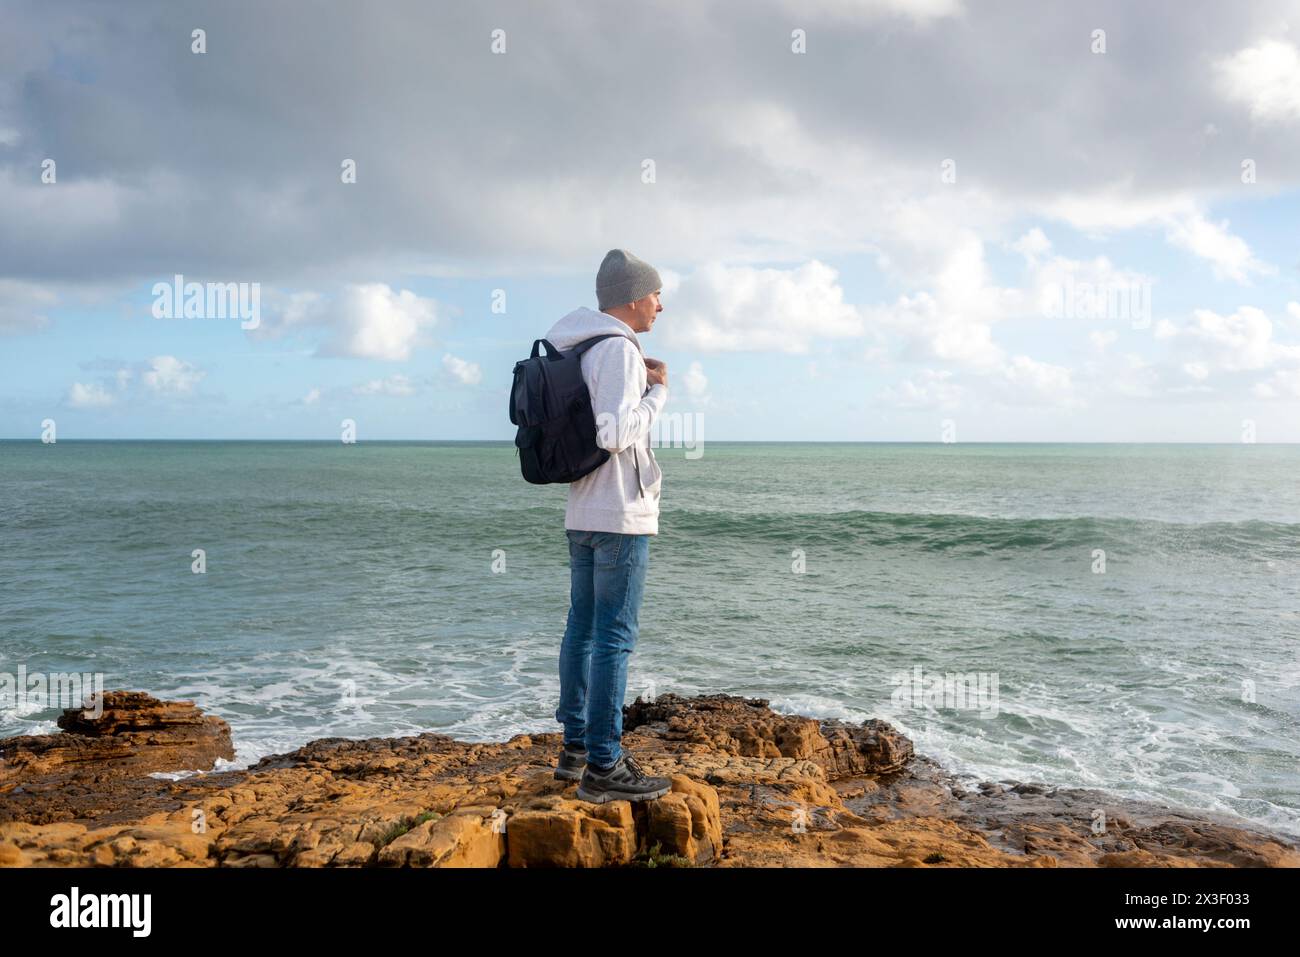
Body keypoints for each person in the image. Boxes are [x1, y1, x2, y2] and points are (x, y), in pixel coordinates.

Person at [542, 249, 674, 803]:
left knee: (583, 629)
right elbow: (615, 435)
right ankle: (604, 765)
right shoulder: (617, 348)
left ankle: (576, 746)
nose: (660, 307)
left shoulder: (582, 345)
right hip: (619, 514)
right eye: (655, 295)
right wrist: (659, 393)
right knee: (613, 640)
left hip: (583, 511)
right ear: (630, 297)